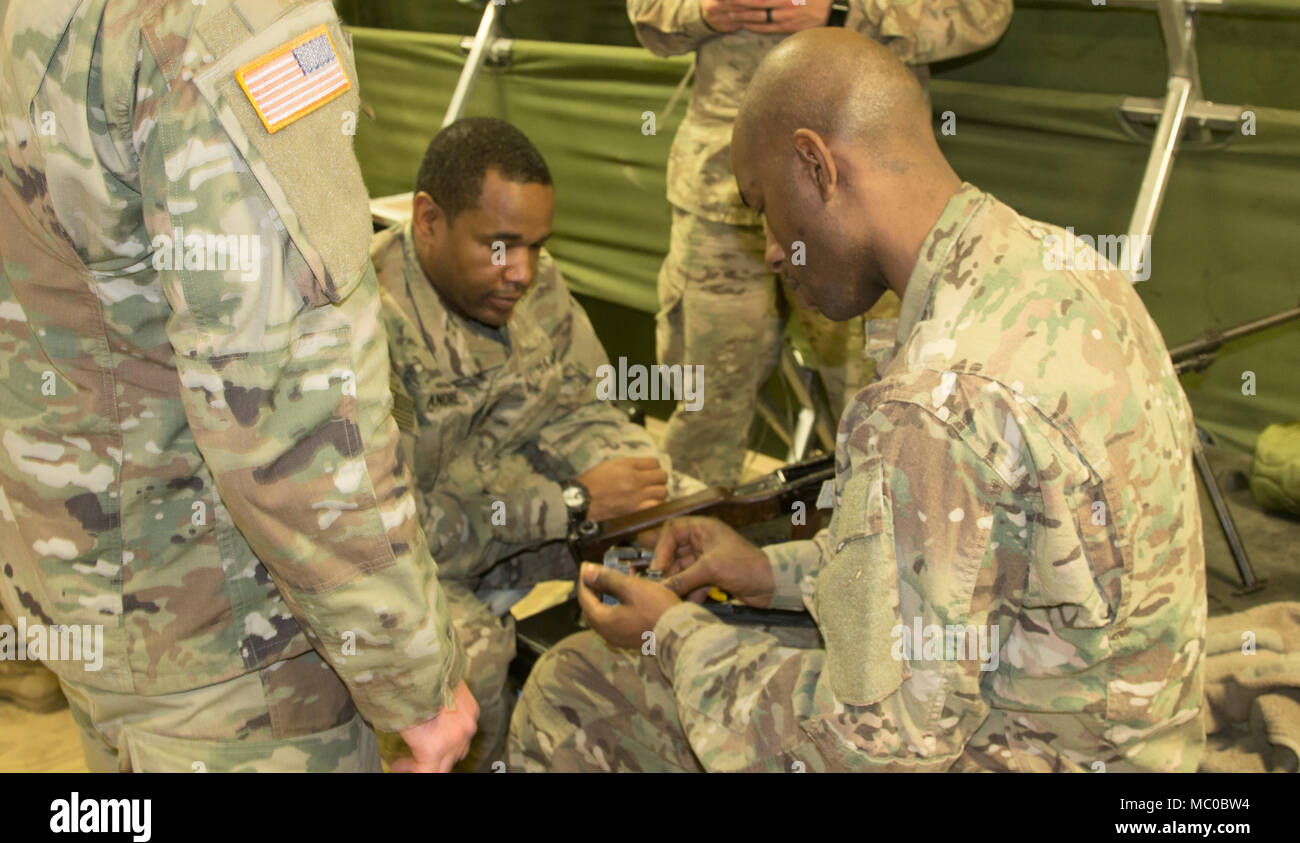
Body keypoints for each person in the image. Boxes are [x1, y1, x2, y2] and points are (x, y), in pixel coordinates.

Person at [508, 28, 1207, 772]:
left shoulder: (931, 400)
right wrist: (768, 573)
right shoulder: (1068, 269)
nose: (774, 249)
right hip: (1128, 750)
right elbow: (969, 572)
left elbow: (875, 749)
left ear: (816, 165)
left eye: (765, 206)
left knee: (577, 686)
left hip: (1019, 749)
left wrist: (677, 633)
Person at [0, 0, 475, 772]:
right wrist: (412, 673)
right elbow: (283, 390)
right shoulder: (229, 19)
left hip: (87, 592)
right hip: (231, 640)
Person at [373, 117, 704, 771]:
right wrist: (572, 501)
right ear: (429, 219)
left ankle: (613, 733)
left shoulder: (530, 282)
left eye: (537, 246)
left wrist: (639, 486)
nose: (522, 272)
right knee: (469, 675)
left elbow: (582, 404)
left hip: (523, 517)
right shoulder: (367, 327)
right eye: (500, 246)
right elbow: (395, 534)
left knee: (683, 541)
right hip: (420, 566)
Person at [628, 0, 1014, 485]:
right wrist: (705, 11)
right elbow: (646, 16)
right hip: (719, 196)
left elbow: (981, 14)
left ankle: (857, 550)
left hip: (856, 202)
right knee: (703, 411)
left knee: (883, 417)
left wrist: (843, 11)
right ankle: (691, 550)